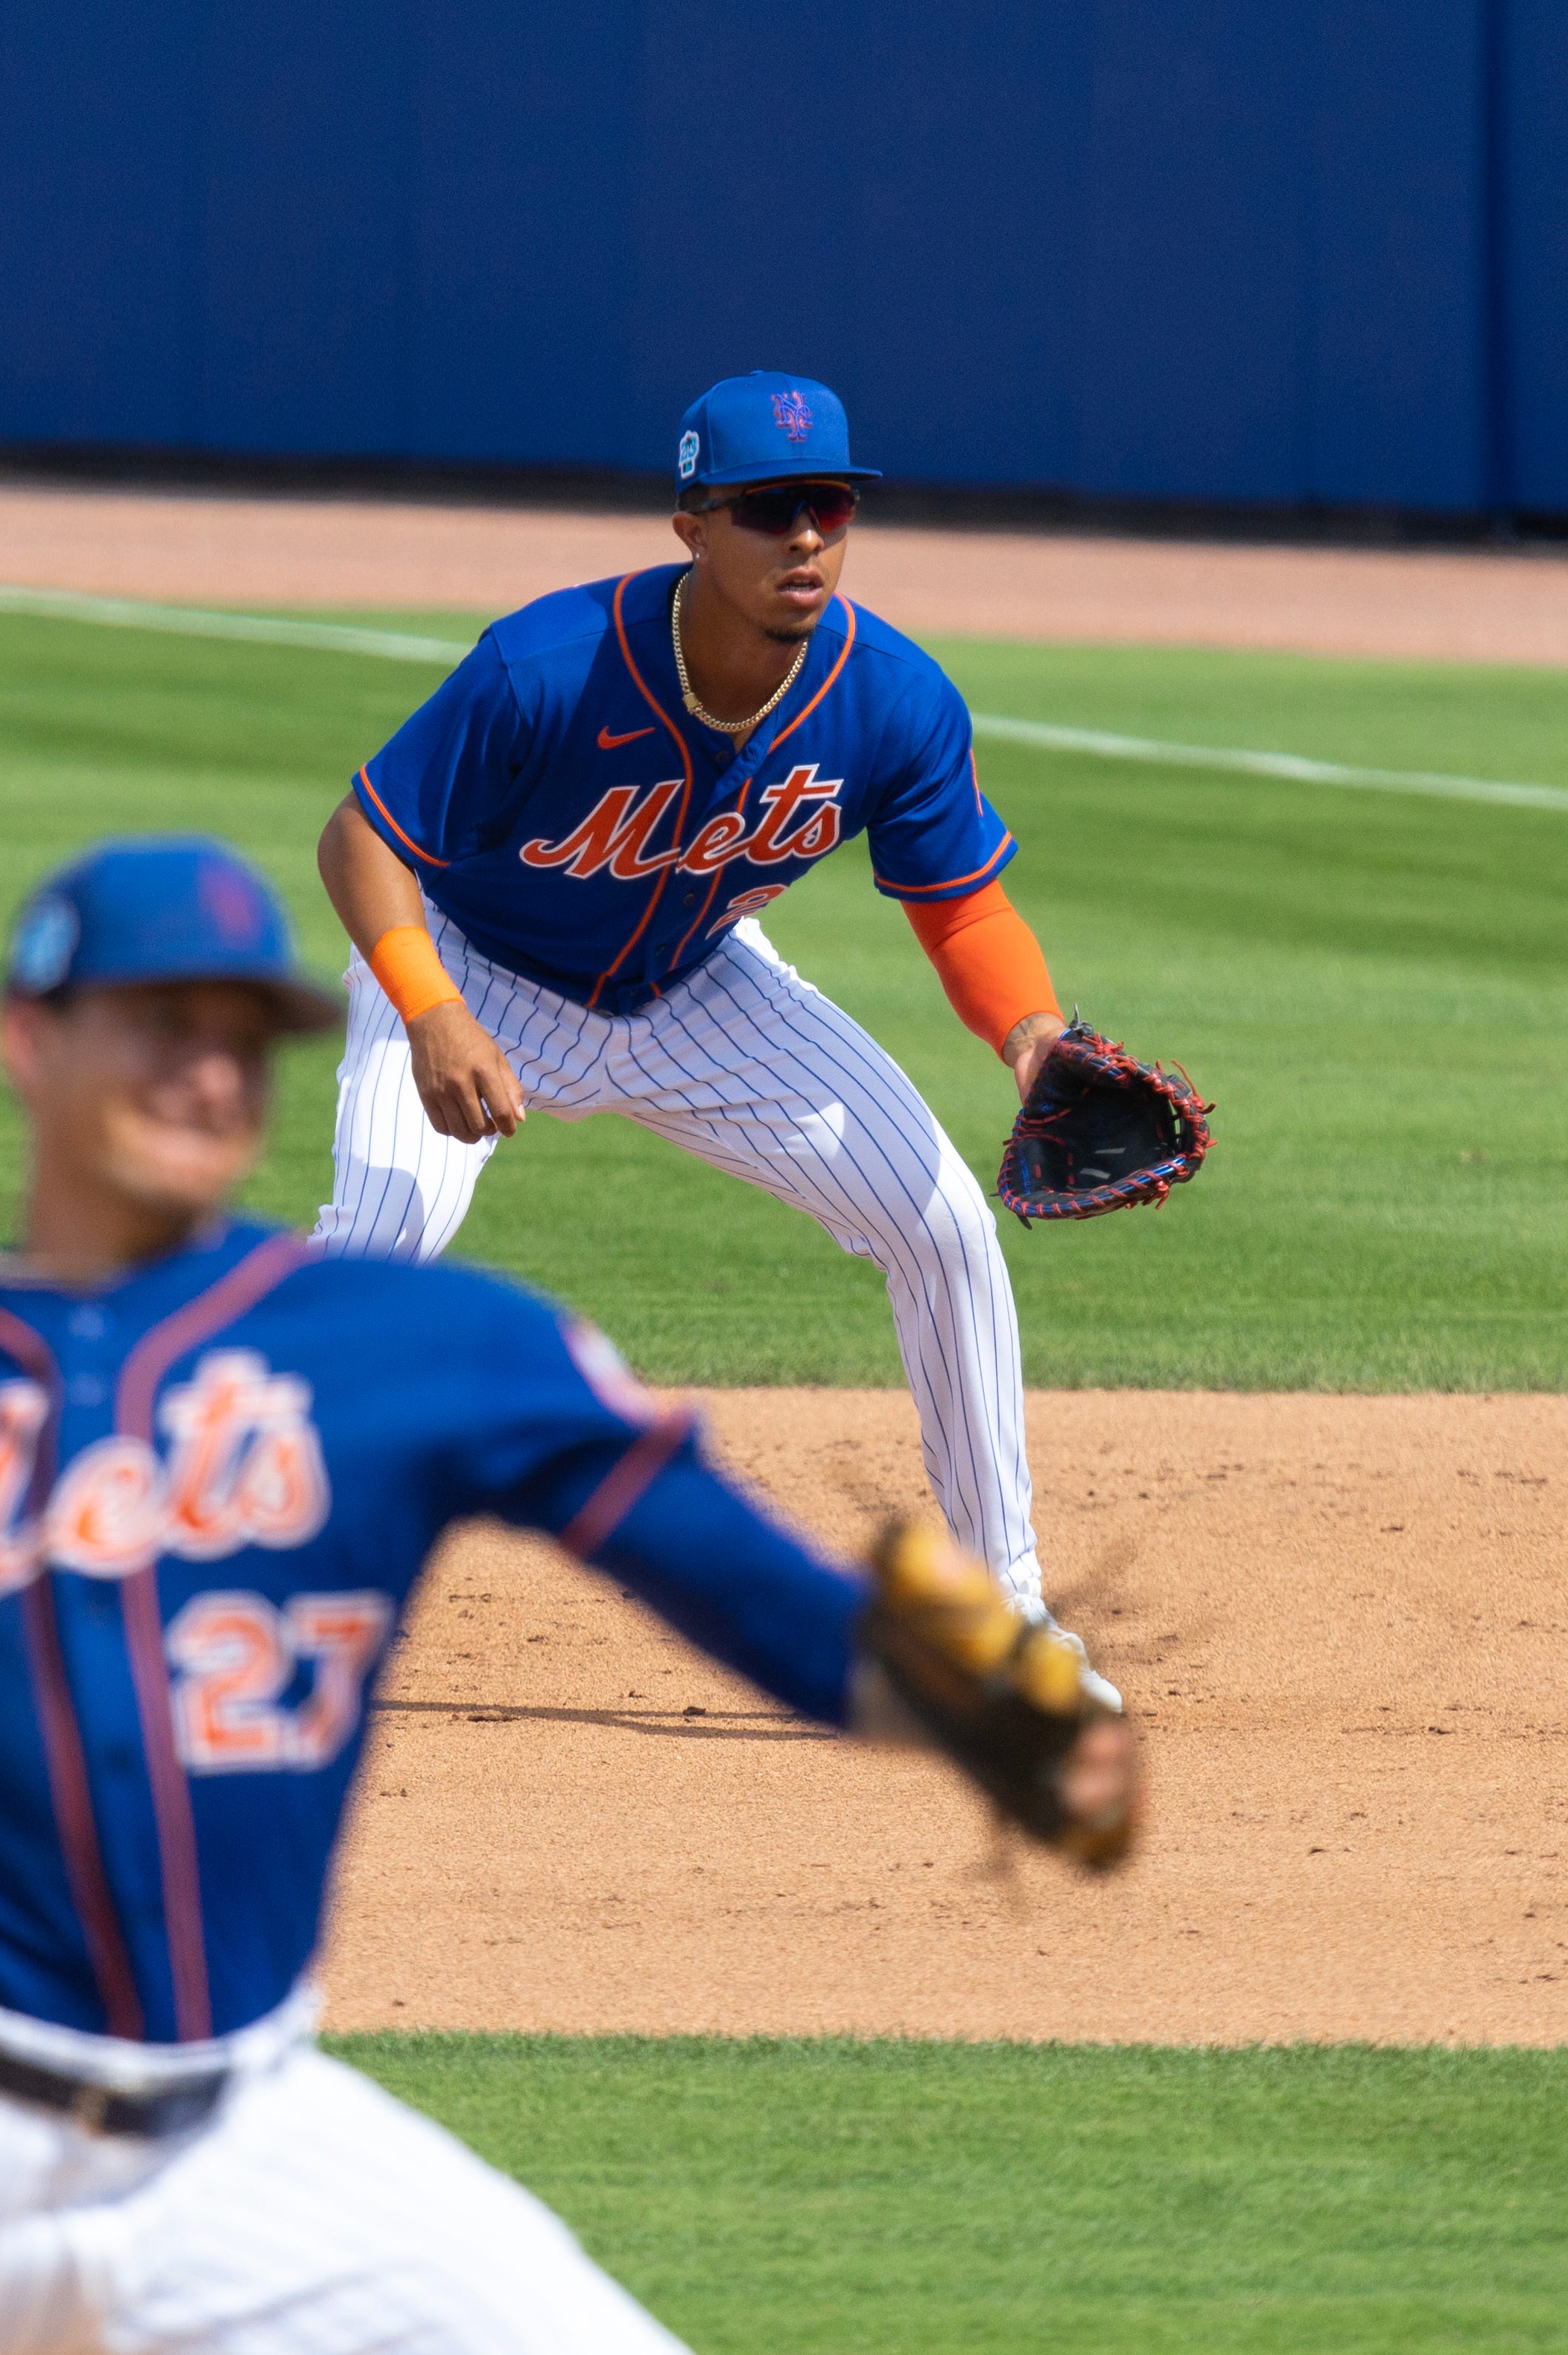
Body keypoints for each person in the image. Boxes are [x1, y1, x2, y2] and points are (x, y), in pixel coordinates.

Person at [0, 802, 1130, 2355]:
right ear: (25, 1040)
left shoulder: (413, 1351)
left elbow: (713, 1565)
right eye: (155, 1022)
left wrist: (940, 1696)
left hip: (243, 2145)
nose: (206, 1071)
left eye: (237, 1037)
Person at [316, 371, 1088, 1644]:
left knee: (945, 1225)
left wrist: (1032, 1035)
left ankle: (997, 1619)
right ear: (690, 522)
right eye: (769, 507)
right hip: (475, 969)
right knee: (372, 1258)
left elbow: (960, 903)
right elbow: (363, 839)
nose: (804, 537)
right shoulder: (547, 665)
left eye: (828, 506)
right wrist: (431, 1011)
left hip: (698, 989)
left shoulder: (890, 695)